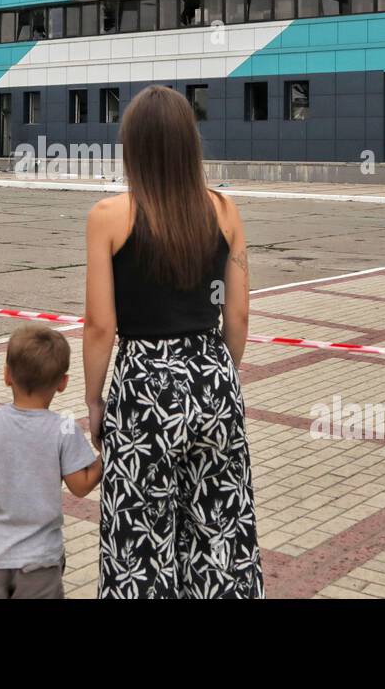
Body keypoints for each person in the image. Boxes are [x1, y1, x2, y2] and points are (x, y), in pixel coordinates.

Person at [83, 84, 262, 598]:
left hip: (142, 390)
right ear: (190, 144)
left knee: (139, 543)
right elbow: (240, 312)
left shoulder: (109, 218)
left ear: (132, 145)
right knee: (221, 533)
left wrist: (95, 400)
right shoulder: (224, 210)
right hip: (213, 378)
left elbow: (99, 326)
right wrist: (219, 375)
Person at [0, 324, 100, 599]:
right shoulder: (63, 429)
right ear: (63, 383)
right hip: (40, 559)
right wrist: (107, 457)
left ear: (7, 375)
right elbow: (81, 486)